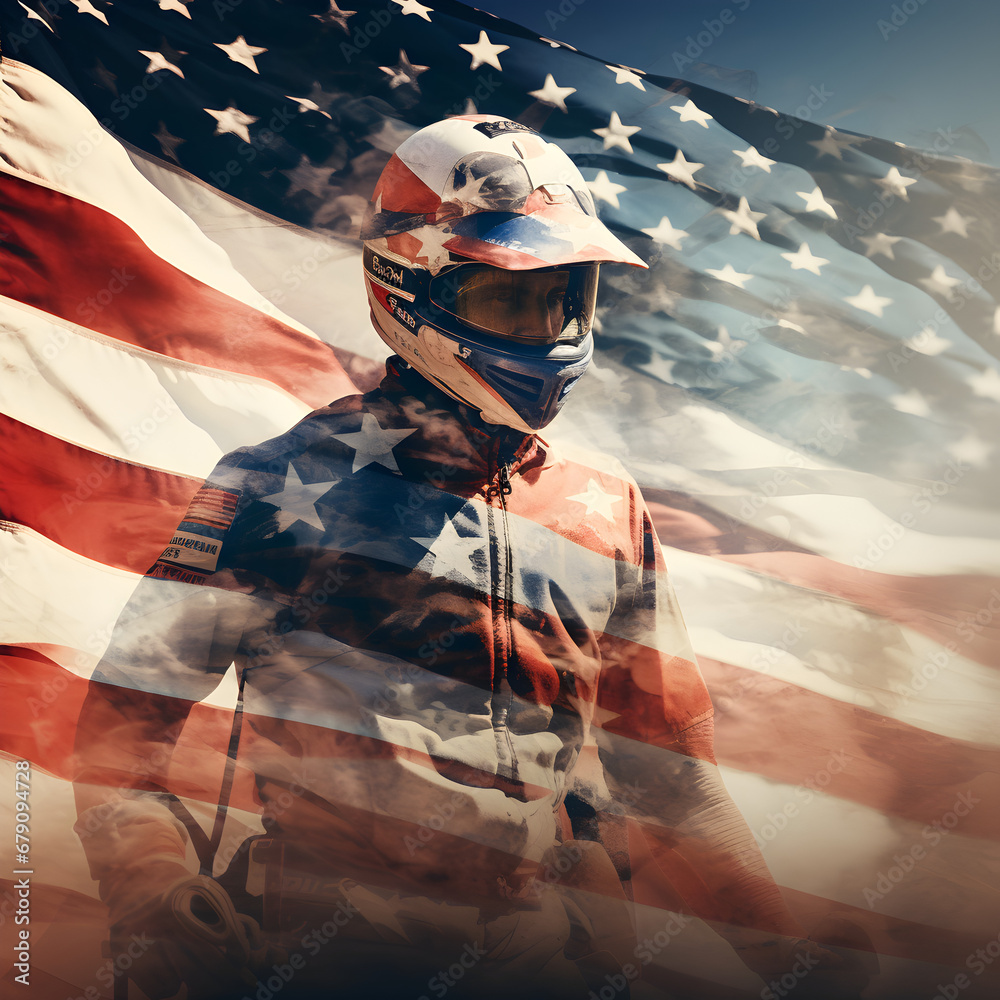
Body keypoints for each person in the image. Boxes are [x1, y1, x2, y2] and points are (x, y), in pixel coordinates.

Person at [72, 115, 867, 1000]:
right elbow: (125, 723)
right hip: (324, 953)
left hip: (545, 956)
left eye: (563, 297)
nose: (549, 330)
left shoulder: (608, 507)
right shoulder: (277, 481)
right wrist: (150, 889)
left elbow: (670, 780)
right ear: (406, 282)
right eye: (509, 299)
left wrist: (789, 957)